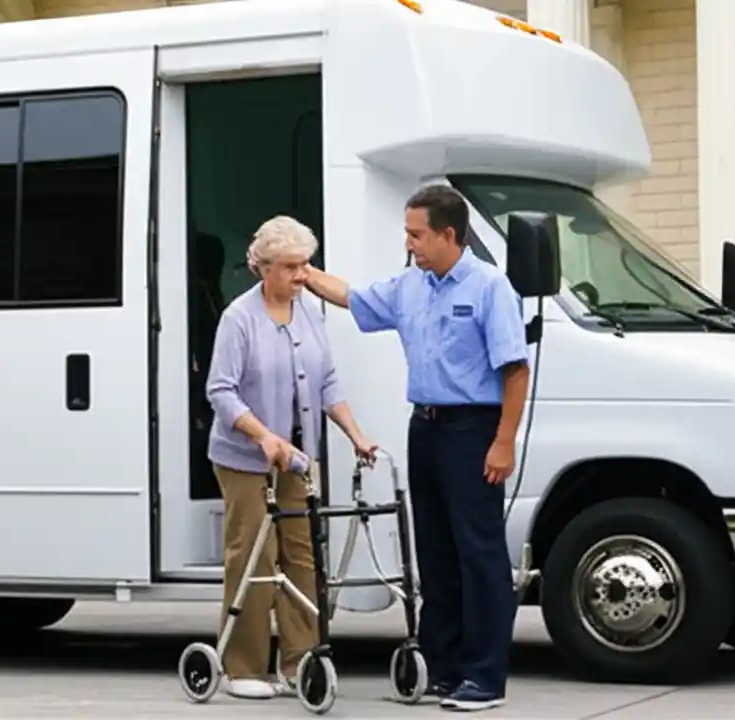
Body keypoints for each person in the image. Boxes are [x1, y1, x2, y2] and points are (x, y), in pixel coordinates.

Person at [302, 185, 529, 712]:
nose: (409, 244)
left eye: (417, 234)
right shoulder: (411, 285)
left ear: (449, 234)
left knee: (479, 552)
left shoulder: (489, 287)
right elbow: (354, 298)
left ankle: (485, 677)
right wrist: (303, 272)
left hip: (473, 429)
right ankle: (443, 668)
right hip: (425, 427)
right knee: (434, 551)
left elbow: (515, 370)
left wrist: (503, 442)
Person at [205, 215, 378, 700]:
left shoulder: (308, 312)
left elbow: (327, 383)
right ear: (263, 268)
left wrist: (355, 435)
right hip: (246, 458)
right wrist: (263, 436)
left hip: (299, 459)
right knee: (254, 555)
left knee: (302, 556)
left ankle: (300, 661)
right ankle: (243, 666)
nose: (302, 275)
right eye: (290, 266)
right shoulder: (239, 318)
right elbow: (220, 391)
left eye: (305, 264)